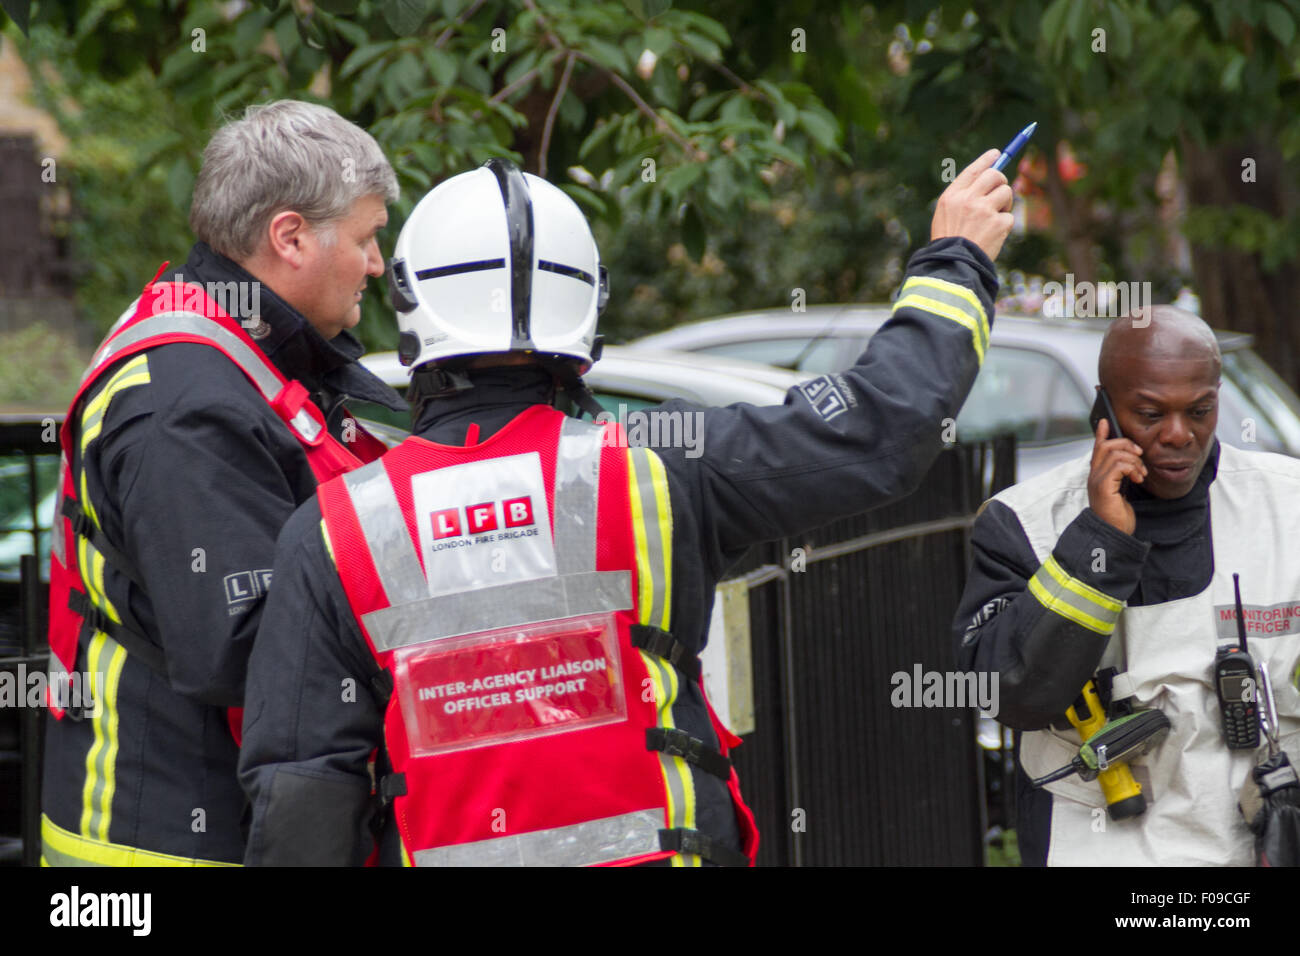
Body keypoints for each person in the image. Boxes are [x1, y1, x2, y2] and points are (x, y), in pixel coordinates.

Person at [238, 151, 1014, 866]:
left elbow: (305, 805)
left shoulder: (335, 532)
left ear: (413, 310)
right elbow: (879, 432)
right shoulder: (659, 468)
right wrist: (956, 261)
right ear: (588, 308)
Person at [41, 100, 407, 867]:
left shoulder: (236, 343)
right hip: (165, 843)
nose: (377, 264)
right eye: (368, 238)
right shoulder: (188, 404)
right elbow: (242, 648)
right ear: (290, 236)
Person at [955, 306, 1300, 866]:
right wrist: (1100, 543)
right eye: (1149, 413)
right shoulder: (1025, 523)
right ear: (1103, 407)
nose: (1178, 435)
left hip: (1255, 837)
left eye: (1200, 410)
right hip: (1100, 840)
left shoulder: (1286, 502)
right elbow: (1010, 693)